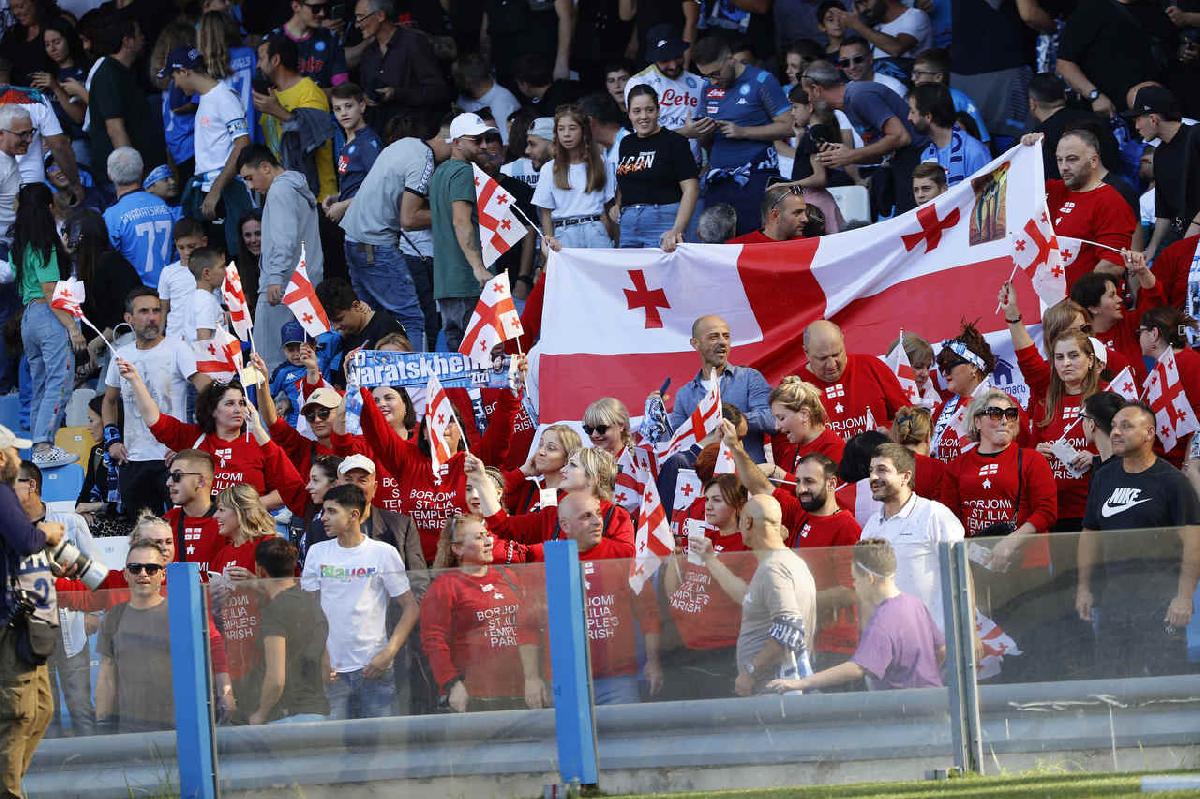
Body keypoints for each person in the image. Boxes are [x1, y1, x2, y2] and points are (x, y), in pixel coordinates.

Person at [1077, 402, 1200, 678]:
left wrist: (1183, 597)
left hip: (1160, 605)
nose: (1116, 432)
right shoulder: (1104, 477)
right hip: (1113, 604)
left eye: (1127, 426)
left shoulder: (1172, 482)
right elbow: (1090, 533)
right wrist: (1083, 587)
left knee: (1164, 686)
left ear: (1149, 433)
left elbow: (1194, 541)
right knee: (1113, 686)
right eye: (1115, 426)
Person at [119, 361, 304, 512]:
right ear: (212, 410)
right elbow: (154, 420)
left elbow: (285, 490)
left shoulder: (259, 443)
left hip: (249, 529)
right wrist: (135, 381)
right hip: (202, 530)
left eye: (241, 403)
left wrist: (248, 507)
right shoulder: (194, 437)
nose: (238, 409)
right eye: (230, 403)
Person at [302, 483, 419, 720]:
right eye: (323, 511)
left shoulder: (383, 552)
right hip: (332, 670)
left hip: (374, 667)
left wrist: (389, 652)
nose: (323, 518)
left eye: (332, 511)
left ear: (354, 514)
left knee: (381, 747)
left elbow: (410, 607)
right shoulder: (317, 552)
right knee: (335, 747)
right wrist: (321, 656)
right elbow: (309, 611)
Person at [766, 538, 945, 692]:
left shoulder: (883, 621)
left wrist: (802, 682)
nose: (854, 584)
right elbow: (941, 650)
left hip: (908, 713)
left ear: (869, 578)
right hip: (931, 701)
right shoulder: (915, 604)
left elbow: (858, 668)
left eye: (855, 579)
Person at [341, 115, 449, 353]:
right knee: (411, 318)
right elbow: (409, 219)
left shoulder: (405, 144)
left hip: (355, 241)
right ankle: (414, 385)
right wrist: (453, 213)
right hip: (374, 244)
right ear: (451, 140)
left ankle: (374, 383)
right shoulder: (423, 160)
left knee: (372, 319)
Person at [422, 515, 546, 711]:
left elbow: (527, 629)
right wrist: (451, 684)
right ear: (457, 548)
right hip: (475, 696)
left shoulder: (508, 576)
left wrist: (533, 677)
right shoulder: (445, 585)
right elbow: (434, 640)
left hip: (520, 691)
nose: (489, 542)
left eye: (487, 535)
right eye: (479, 537)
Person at [103, 287, 209, 519]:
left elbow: (206, 389)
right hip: (134, 459)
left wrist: (198, 437)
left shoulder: (177, 348)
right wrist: (112, 440)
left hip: (171, 458)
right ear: (128, 318)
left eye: (156, 311)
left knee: (181, 526)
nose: (152, 318)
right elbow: (109, 401)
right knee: (142, 532)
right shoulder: (121, 353)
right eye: (144, 312)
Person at [0, 423, 64, 792]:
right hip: (9, 625)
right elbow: (27, 541)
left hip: (19, 622)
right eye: (14, 453)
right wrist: (48, 535)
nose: (20, 460)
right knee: (17, 715)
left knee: (40, 710)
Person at [15, 461, 94, 738]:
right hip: (31, 633)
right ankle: (56, 775)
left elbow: (95, 575)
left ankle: (98, 771)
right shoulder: (10, 532)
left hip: (71, 628)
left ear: (31, 485)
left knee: (81, 707)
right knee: (44, 712)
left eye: (11, 484)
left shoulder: (70, 522)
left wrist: (92, 613)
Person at [658, 475, 754, 700]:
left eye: (717, 500)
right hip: (679, 647)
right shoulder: (703, 537)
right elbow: (675, 593)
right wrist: (675, 557)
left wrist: (711, 559)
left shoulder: (747, 544)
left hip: (718, 654)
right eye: (707, 499)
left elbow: (745, 597)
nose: (708, 506)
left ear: (738, 505)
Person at [687, 37, 792, 237]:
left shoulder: (762, 80)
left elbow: (788, 127)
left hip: (756, 177)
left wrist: (743, 132)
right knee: (716, 244)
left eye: (716, 73)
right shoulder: (708, 87)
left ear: (731, 59)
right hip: (718, 178)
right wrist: (698, 131)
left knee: (753, 240)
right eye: (707, 76)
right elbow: (705, 142)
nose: (713, 81)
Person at [236, 144, 324, 372]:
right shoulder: (295, 187)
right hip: (303, 283)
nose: (249, 186)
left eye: (249, 178)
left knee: (269, 358)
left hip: (284, 283)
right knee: (300, 355)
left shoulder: (279, 191)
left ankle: (273, 407)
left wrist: (275, 276)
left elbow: (284, 238)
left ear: (265, 167)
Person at [859, 442, 964, 630]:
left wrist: (967, 629)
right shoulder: (871, 525)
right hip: (891, 642)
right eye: (871, 470)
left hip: (937, 639)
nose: (873, 477)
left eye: (882, 470)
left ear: (905, 476)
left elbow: (961, 576)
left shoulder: (934, 514)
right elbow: (867, 589)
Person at [161, 45, 252, 259]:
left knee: (231, 260)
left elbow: (242, 143)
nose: (174, 83)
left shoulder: (223, 97)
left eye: (174, 76)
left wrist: (216, 190)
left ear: (184, 71)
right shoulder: (207, 98)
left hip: (225, 193)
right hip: (209, 189)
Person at [802, 60, 928, 214]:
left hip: (917, 159)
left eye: (807, 94)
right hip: (903, 162)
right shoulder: (850, 103)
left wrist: (852, 155)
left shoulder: (859, 96)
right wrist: (843, 156)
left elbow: (901, 137)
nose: (809, 101)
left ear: (816, 89)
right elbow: (880, 152)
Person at [727, 494, 817, 696]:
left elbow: (789, 627)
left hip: (775, 694)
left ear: (748, 522)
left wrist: (751, 671)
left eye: (740, 520)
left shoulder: (774, 568)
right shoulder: (792, 562)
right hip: (782, 692)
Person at [15, 183, 79, 469]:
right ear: (50, 208)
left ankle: (38, 444)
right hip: (48, 316)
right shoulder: (45, 244)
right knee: (60, 379)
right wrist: (72, 328)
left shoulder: (22, 244)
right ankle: (43, 445)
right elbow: (51, 290)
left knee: (40, 382)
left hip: (28, 317)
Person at [659, 315, 774, 463]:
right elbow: (676, 441)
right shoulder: (685, 394)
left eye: (726, 336)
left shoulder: (749, 378)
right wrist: (658, 419)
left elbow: (772, 420)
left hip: (747, 476)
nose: (722, 342)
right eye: (714, 337)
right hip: (706, 480)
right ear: (695, 343)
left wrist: (735, 420)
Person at [1030, 129, 1135, 286]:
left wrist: (1078, 301)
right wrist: (1029, 153)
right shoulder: (1052, 190)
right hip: (1044, 300)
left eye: (1072, 160)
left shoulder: (1111, 202)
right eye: (1059, 160)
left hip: (1080, 305)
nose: (1064, 167)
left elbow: (1112, 264)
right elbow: (1014, 196)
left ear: (1093, 161)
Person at [249, 537, 330, 724]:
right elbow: (326, 666)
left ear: (259, 569)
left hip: (288, 715)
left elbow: (276, 678)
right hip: (318, 710)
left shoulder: (275, 610)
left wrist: (261, 713)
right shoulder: (312, 603)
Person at [95, 540, 173, 733]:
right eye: (135, 568)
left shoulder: (179, 614)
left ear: (163, 574)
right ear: (126, 574)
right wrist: (102, 723)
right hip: (129, 729)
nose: (143, 573)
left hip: (176, 727)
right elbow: (106, 676)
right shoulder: (113, 617)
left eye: (152, 568)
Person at [429, 112, 492, 351]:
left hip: (447, 282)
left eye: (485, 139)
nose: (484, 145)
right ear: (456, 142)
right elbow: (461, 221)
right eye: (476, 140)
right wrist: (477, 266)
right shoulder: (463, 172)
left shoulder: (440, 172)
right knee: (479, 359)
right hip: (468, 281)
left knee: (462, 361)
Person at [252, 34, 336, 202]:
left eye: (261, 59)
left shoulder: (308, 91)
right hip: (285, 197)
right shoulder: (270, 96)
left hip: (317, 200)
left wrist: (279, 111)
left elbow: (313, 139)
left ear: (275, 60)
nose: (258, 66)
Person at [615, 85, 699, 251]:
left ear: (659, 111)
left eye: (649, 110)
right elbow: (625, 178)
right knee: (631, 275)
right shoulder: (626, 143)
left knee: (662, 276)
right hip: (628, 225)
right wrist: (618, 205)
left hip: (664, 222)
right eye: (637, 111)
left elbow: (692, 189)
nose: (643, 116)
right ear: (629, 113)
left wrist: (677, 230)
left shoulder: (675, 141)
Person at [799, 320, 912, 441]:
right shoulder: (794, 386)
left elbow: (910, 417)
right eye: (823, 358)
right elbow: (785, 446)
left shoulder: (872, 366)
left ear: (843, 341)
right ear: (806, 353)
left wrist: (892, 434)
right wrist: (833, 448)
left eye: (836, 354)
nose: (832, 364)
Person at [87, 18, 167, 183]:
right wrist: (132, 176)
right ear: (127, 41)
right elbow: (115, 129)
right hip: (124, 177)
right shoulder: (108, 75)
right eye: (139, 34)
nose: (143, 38)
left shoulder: (125, 71)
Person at [351, 0, 450, 132]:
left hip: (415, 132)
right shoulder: (369, 53)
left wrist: (397, 93)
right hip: (381, 133)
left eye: (360, 17)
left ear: (380, 16)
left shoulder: (413, 43)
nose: (357, 25)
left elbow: (437, 91)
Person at [1125, 86, 1200, 256]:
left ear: (1153, 119)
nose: (1136, 127)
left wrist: (1193, 231)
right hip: (1183, 236)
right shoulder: (1159, 155)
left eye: (1138, 119)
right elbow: (1164, 210)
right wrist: (1152, 249)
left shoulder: (1195, 136)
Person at [1054, 0, 1161, 117]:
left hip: (1153, 110)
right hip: (1110, 112)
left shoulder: (1151, 7)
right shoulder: (1091, 9)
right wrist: (1095, 96)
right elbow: (1065, 64)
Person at [534, 103, 616, 250]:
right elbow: (545, 212)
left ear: (583, 131)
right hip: (564, 232)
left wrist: (615, 237)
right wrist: (549, 241)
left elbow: (609, 204)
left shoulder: (601, 162)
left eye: (572, 128)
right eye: (561, 129)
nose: (566, 134)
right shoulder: (549, 169)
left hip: (595, 229)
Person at [101, 147, 180, 288]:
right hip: (172, 289)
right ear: (142, 171)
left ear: (110, 175)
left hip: (137, 297)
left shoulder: (111, 216)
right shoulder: (167, 207)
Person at [624, 26, 704, 160]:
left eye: (677, 57)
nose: (673, 65)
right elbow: (641, 136)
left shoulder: (700, 82)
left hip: (693, 166)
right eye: (665, 60)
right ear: (654, 58)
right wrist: (684, 133)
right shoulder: (639, 83)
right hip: (656, 165)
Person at [1136, 306, 1200, 467]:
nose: (1139, 338)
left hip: (1180, 466)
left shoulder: (1189, 363)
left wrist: (1189, 465)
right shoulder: (1169, 364)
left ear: (1154, 334)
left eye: (1140, 332)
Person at [763, 376, 845, 479]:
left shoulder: (832, 448)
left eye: (781, 418)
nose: (777, 426)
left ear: (804, 414)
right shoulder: (795, 445)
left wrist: (778, 474)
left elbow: (822, 492)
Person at [909, 84, 991, 187]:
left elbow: (988, 196)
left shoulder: (974, 151)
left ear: (928, 116)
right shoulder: (926, 155)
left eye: (912, 111)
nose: (909, 117)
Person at [322, 83, 380, 227]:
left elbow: (378, 189)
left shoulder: (367, 142)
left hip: (368, 227)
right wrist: (338, 197)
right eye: (337, 109)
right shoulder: (347, 140)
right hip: (354, 224)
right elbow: (356, 183)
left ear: (362, 106)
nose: (343, 113)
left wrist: (344, 205)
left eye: (348, 106)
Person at [162, 449, 224, 576]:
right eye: (169, 476)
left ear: (200, 481)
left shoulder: (229, 522)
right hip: (177, 595)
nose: (168, 483)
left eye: (177, 476)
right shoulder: (164, 524)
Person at [910, 48, 990, 146]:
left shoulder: (959, 100)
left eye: (918, 74)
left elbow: (984, 140)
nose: (913, 78)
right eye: (913, 73)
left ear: (938, 77)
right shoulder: (915, 99)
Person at [501, 424, 582, 514]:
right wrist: (522, 472)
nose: (541, 452)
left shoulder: (572, 496)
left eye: (551, 448)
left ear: (567, 458)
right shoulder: (528, 489)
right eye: (540, 445)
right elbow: (489, 494)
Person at [272, 0, 348, 89]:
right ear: (296, 6)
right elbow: (262, 89)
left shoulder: (331, 38)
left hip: (320, 102)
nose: (322, 13)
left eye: (325, 7)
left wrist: (307, 95)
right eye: (315, 8)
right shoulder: (272, 40)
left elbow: (342, 89)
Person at [158, 218, 209, 342]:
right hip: (175, 338)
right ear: (175, 244)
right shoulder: (168, 272)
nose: (186, 252)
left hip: (207, 339)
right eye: (181, 247)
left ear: (204, 242)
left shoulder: (214, 270)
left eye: (191, 247)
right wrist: (159, 337)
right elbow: (163, 309)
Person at [454, 54, 521, 145]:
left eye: (456, 77)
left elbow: (507, 144)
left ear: (467, 81)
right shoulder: (464, 97)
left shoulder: (502, 104)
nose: (453, 81)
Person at [834, 0, 931, 60]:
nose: (863, 8)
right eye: (858, 4)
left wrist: (857, 25)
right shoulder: (875, 28)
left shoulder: (915, 15)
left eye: (865, 1)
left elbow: (896, 48)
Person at [726, 182, 810, 244]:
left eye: (804, 212)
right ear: (775, 215)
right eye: (798, 212)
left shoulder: (807, 245)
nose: (805, 219)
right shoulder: (736, 248)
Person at [836, 38, 906, 98]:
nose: (852, 67)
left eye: (858, 59)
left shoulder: (893, 87)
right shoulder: (843, 94)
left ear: (870, 59)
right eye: (845, 62)